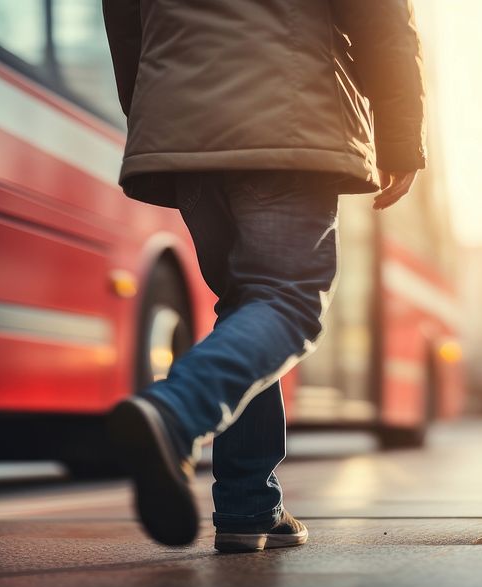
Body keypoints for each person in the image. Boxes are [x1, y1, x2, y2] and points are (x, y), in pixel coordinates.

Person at [102, 0, 426, 552]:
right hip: (284, 112)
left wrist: (158, 113)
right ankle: (178, 411)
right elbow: (380, 18)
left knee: (250, 307)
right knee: (288, 301)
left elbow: (125, 23)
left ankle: (248, 504)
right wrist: (399, 135)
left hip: (181, 121)